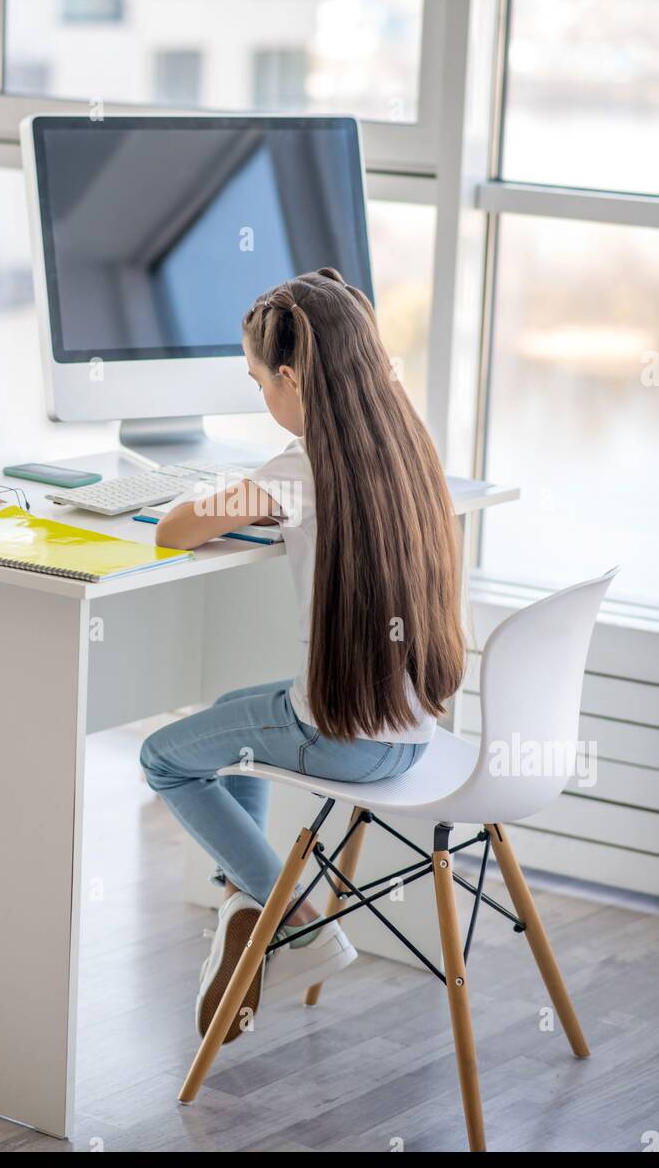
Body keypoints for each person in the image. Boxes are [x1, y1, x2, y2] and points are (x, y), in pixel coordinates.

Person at [140, 267, 465, 1041]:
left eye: (258, 384)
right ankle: (244, 904)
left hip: (340, 740)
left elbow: (174, 530)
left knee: (165, 758)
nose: (263, 400)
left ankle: (297, 923)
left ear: (291, 377)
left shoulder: (298, 467)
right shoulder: (408, 448)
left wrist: (231, 492)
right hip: (413, 737)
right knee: (226, 719)